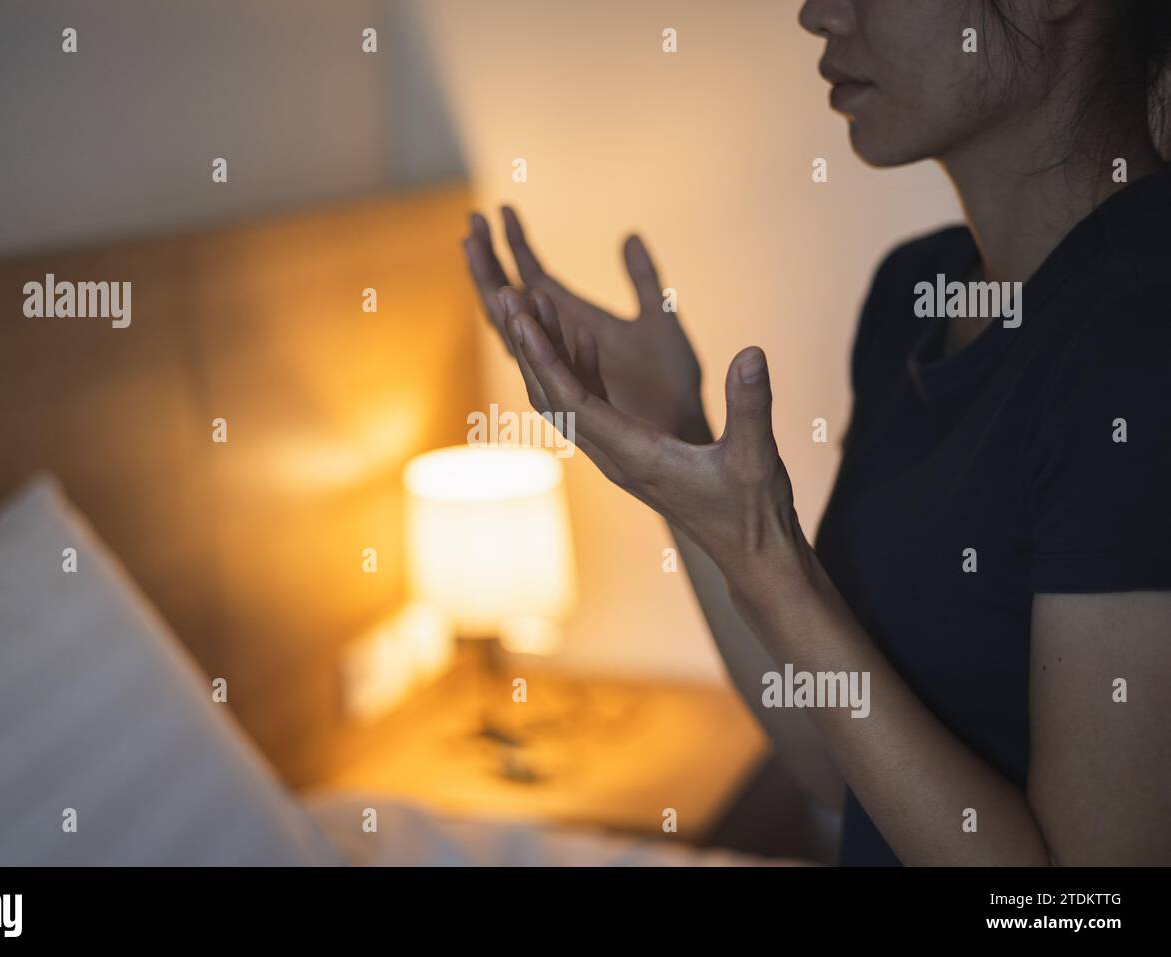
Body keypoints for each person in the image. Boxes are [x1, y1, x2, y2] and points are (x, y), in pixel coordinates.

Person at [461, 0, 1171, 865]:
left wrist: (774, 564)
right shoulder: (914, 297)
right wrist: (675, 434)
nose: (816, 13)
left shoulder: (1142, 340)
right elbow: (835, 766)